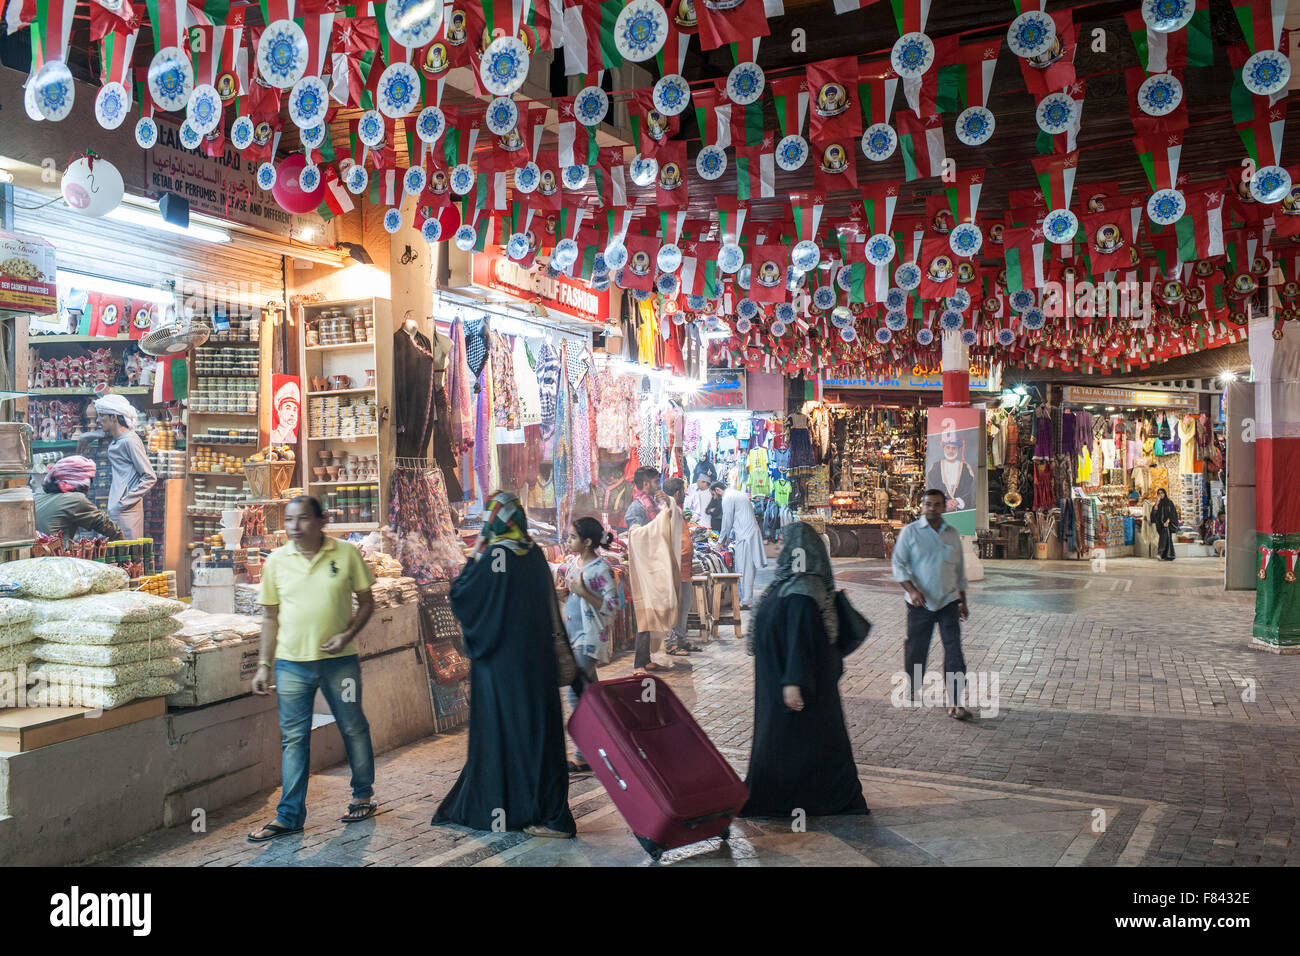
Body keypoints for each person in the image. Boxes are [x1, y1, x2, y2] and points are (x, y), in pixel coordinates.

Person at [434, 491, 576, 838]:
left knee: (506, 736)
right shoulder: (533, 554)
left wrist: (477, 550)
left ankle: (509, 807)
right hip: (536, 665)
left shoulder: (495, 555)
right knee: (538, 734)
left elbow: (462, 596)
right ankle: (552, 813)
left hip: (501, 668)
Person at [248, 496, 377, 842]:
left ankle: (362, 795)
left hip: (340, 662)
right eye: (289, 520)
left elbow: (367, 602)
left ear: (321, 522)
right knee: (294, 739)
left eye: (303, 519)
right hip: (291, 665)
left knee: (353, 726)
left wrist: (347, 634)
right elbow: (269, 616)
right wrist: (264, 666)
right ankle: (289, 816)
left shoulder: (346, 554)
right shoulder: (276, 561)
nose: (294, 526)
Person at [741, 522, 869, 818]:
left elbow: (799, 639)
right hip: (779, 682)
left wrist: (793, 681)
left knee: (797, 742)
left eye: (787, 545)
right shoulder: (789, 583)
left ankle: (797, 799)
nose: (783, 549)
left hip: (794, 687)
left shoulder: (802, 590)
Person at [891, 489, 972, 721]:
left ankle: (956, 701)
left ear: (944, 507)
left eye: (937, 505)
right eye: (928, 504)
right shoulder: (910, 533)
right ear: (921, 506)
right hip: (919, 604)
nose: (932, 509)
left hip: (948, 602)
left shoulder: (952, 534)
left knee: (954, 652)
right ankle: (914, 684)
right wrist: (912, 590)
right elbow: (898, 565)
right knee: (916, 649)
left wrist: (963, 601)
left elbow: (959, 571)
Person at [560, 516, 621, 773]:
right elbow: (575, 593)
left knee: (577, 694)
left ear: (587, 542)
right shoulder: (575, 563)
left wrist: (583, 593)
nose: (568, 540)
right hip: (574, 637)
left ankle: (583, 753)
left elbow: (612, 606)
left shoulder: (600, 569)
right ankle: (613, 743)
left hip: (589, 638)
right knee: (591, 695)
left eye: (573, 537)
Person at [93, 393, 157, 538]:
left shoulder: (130, 440)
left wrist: (124, 503)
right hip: (118, 509)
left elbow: (149, 477)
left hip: (126, 512)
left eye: (101, 415)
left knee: (128, 556)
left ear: (114, 417)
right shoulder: (118, 440)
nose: (98, 420)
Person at [626, 466, 667, 672]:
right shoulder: (636, 508)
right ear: (645, 484)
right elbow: (636, 536)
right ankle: (638, 665)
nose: (658, 486)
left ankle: (646, 658)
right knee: (644, 614)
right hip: (643, 568)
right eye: (655, 482)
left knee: (652, 614)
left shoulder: (653, 504)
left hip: (654, 564)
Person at [33, 456, 121, 540]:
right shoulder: (76, 499)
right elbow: (113, 531)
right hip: (55, 555)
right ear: (83, 483)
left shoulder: (36, 497)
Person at [662, 477, 702, 656]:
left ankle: (681, 639)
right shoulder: (667, 511)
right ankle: (671, 643)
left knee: (684, 605)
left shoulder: (675, 511)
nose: (685, 494)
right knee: (672, 607)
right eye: (683, 491)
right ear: (678, 493)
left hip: (684, 568)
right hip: (672, 568)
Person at [719, 481, 768, 609]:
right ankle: (746, 599)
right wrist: (729, 538)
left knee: (744, 568)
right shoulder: (738, 494)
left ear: (717, 490)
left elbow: (727, 521)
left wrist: (720, 542)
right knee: (748, 567)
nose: (715, 498)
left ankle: (746, 601)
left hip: (745, 536)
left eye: (713, 494)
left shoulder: (727, 498)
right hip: (749, 533)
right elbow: (737, 517)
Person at [925, 437, 976, 512]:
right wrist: (945, 502)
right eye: (948, 448)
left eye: (954, 448)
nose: (950, 451)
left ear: (958, 450)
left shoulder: (965, 468)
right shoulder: (935, 467)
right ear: (944, 449)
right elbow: (931, 488)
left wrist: (957, 501)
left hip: (960, 511)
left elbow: (970, 490)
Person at [1153, 487, 1179, 561]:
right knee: (1167, 539)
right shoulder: (1158, 504)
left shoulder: (1169, 503)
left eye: (1162, 493)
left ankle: (1160, 553)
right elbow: (1154, 515)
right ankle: (1170, 555)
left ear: (1165, 493)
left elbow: (1173, 513)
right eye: (1159, 494)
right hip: (1160, 525)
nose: (1160, 495)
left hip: (1168, 524)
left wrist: (1168, 521)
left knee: (1163, 538)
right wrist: (1156, 507)